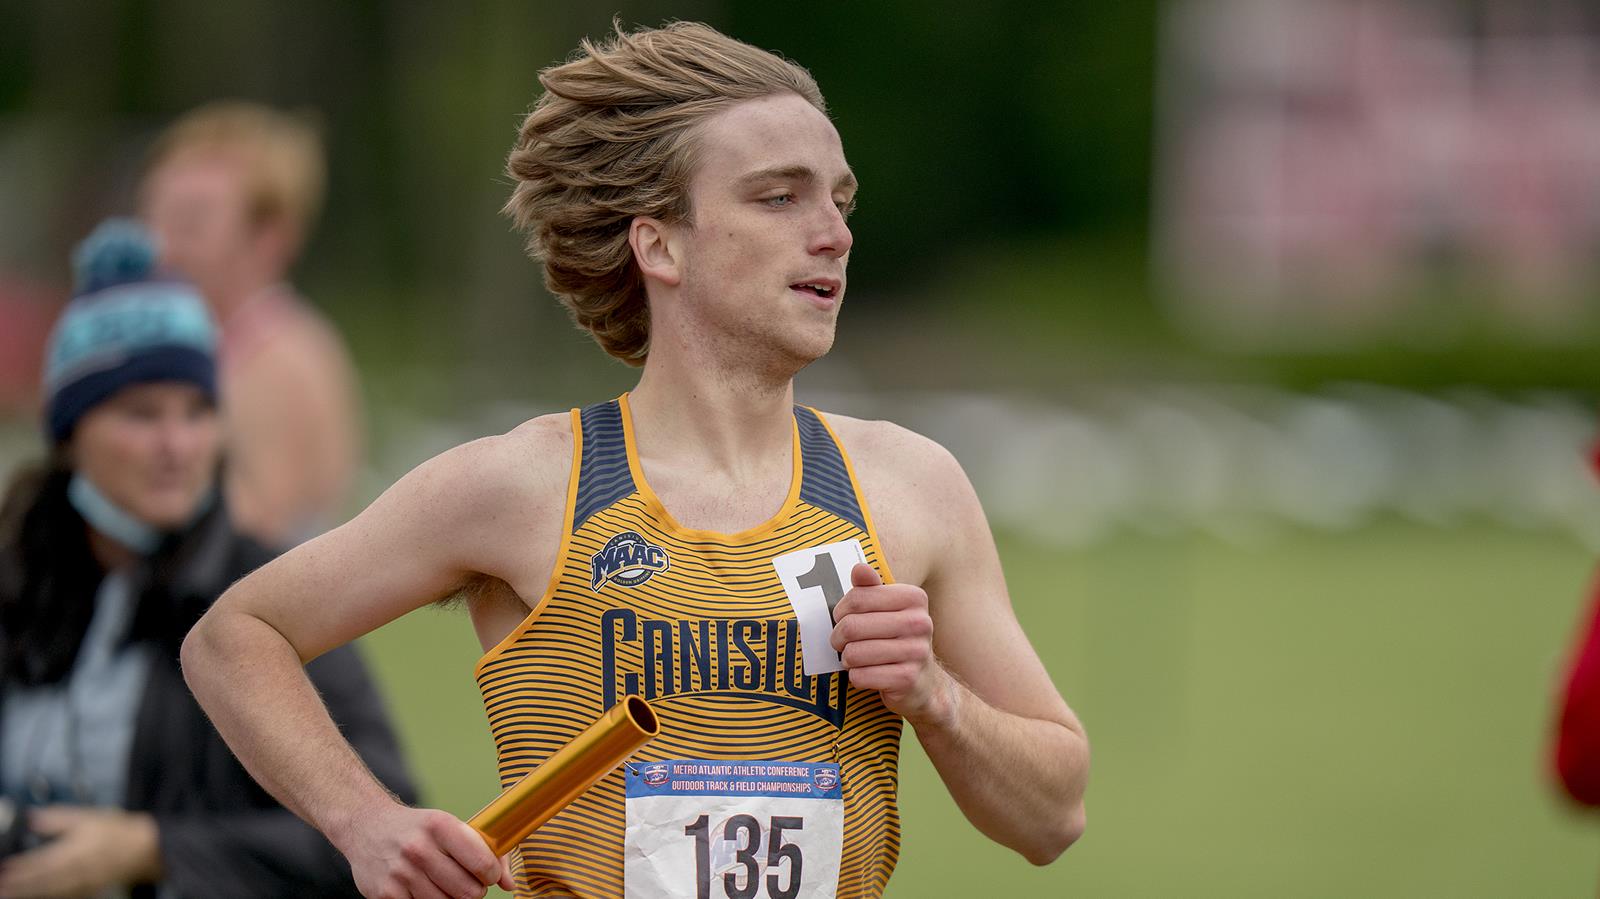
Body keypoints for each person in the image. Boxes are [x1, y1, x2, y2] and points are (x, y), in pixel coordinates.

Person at [182, 21, 1089, 899]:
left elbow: (1054, 815)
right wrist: (365, 823)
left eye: (839, 200)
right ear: (659, 242)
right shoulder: (522, 484)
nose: (834, 234)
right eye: (780, 196)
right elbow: (234, 639)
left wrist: (935, 697)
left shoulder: (911, 486)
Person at [0, 220, 414, 899]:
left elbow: (384, 832)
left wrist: (151, 849)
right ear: (70, 433)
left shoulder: (270, 600)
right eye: (141, 414)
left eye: (197, 412)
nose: (178, 444)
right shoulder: (16, 582)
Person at [139, 101, 362, 546]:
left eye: (191, 221)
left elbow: (252, 538)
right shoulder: (214, 342)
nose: (161, 244)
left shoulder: (279, 363)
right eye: (152, 215)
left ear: (271, 238)